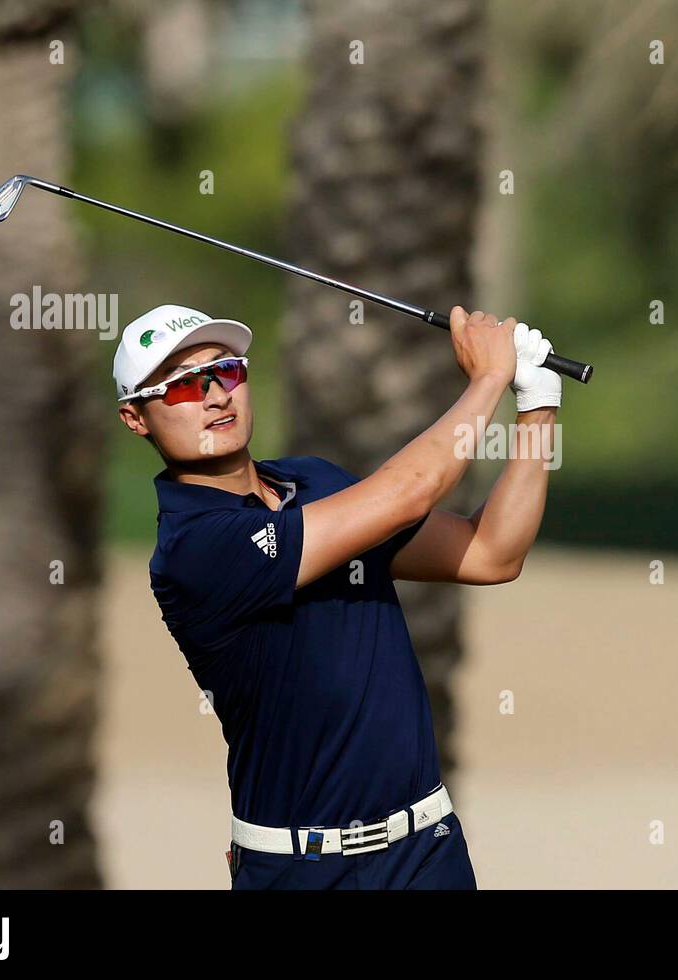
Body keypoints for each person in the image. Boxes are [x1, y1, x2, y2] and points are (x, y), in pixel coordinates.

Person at [111, 302, 561, 889]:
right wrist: (488, 379)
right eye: (181, 388)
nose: (216, 395)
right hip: (302, 871)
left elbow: (492, 553)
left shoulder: (316, 482)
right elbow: (408, 492)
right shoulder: (194, 550)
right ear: (135, 418)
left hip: (429, 854)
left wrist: (537, 402)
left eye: (227, 372)